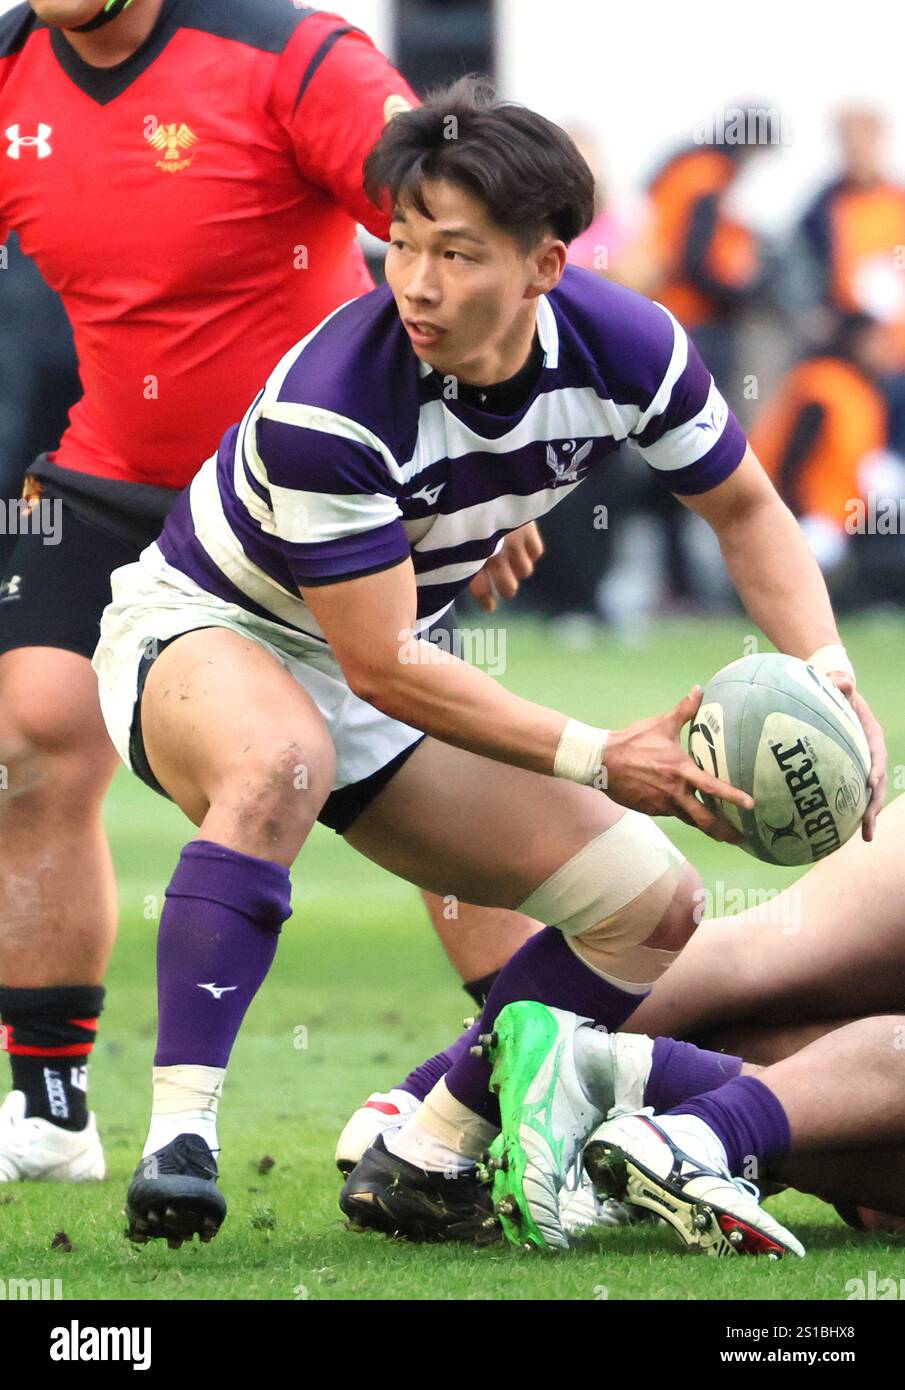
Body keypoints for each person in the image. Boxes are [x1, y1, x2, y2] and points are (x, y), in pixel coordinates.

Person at [91, 77, 884, 1249]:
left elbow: (747, 512)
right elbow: (380, 669)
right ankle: (181, 1136)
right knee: (279, 758)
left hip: (372, 650)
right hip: (204, 625)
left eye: (456, 253)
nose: (415, 281)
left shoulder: (631, 346)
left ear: (545, 267)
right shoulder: (336, 403)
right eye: (402, 244)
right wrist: (600, 755)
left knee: (649, 905)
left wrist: (826, 669)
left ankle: (433, 1141)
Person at [0, 0, 429, 1181]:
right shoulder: (8, 73)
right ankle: (48, 1108)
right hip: (110, 477)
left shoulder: (289, 54)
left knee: (428, 793)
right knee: (27, 732)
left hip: (307, 488)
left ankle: (530, 1070)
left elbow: (455, 234)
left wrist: (461, 471)